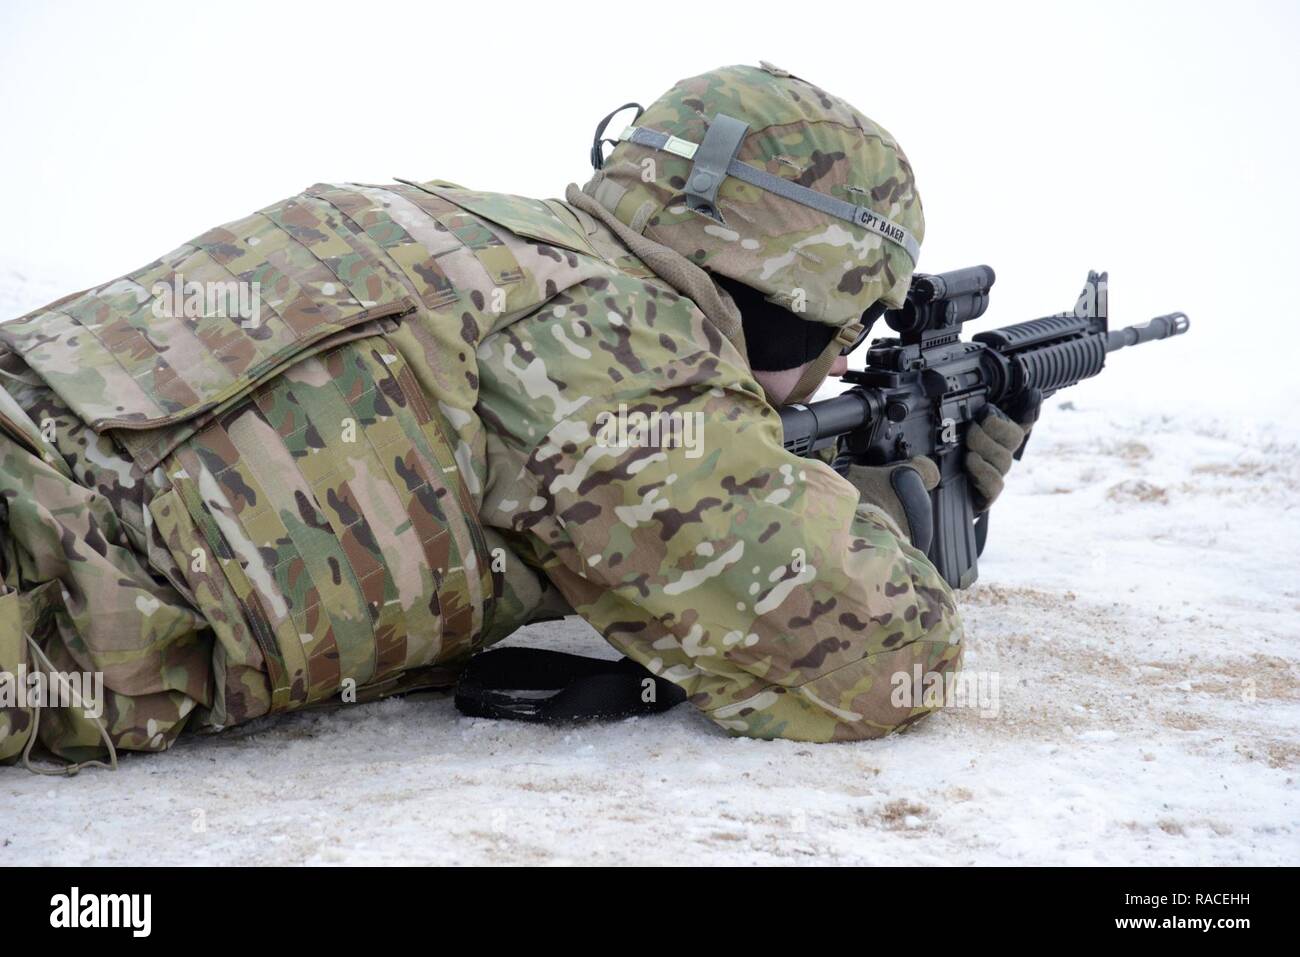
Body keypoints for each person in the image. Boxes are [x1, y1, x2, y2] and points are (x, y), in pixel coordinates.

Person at [0, 63, 1028, 772]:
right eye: (854, 318)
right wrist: (861, 512)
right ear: (798, 284)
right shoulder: (629, 355)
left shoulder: (428, 214)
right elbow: (879, 665)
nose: (845, 356)